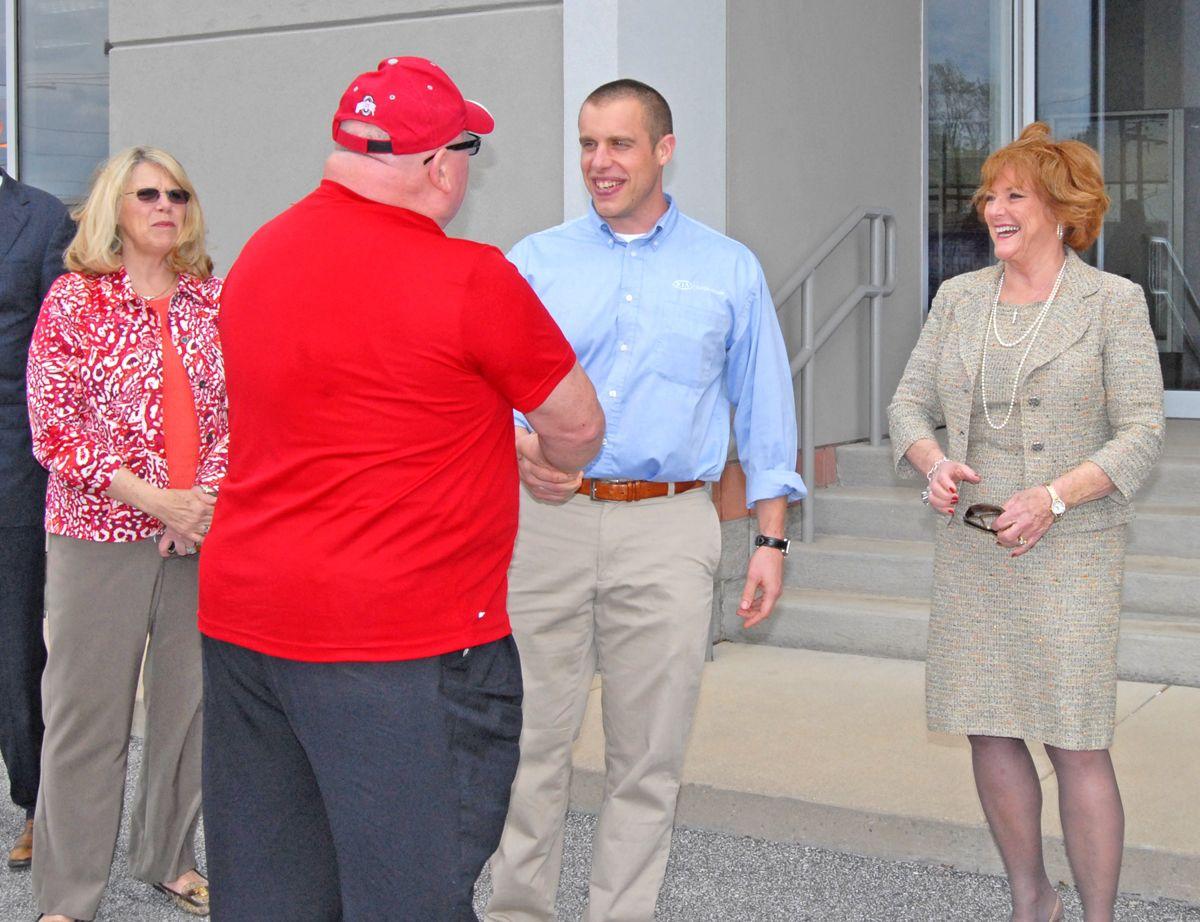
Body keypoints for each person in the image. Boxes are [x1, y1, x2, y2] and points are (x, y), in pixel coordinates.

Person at [196, 56, 603, 922]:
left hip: (247, 621)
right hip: (403, 641)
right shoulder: (470, 277)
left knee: (272, 887)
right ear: (438, 164)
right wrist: (543, 455)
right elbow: (579, 424)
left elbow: (335, 403)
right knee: (408, 892)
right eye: (465, 149)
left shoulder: (258, 255)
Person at [486, 79, 805, 922]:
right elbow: (486, 391)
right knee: (529, 748)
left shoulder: (727, 269)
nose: (599, 163)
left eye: (620, 145)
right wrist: (523, 448)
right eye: (588, 144)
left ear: (665, 149)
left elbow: (766, 413)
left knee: (648, 757)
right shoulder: (536, 261)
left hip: (670, 525)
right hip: (544, 526)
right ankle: (518, 911)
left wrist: (771, 543)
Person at [887, 122, 1164, 922]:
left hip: (1071, 543)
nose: (993, 209)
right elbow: (909, 402)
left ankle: (1098, 914)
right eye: (989, 195)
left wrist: (1055, 496)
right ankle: (1030, 900)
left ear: (1061, 209)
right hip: (975, 549)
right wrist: (932, 463)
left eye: (1014, 196)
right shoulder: (958, 298)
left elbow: (1142, 431)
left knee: (1075, 738)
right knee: (987, 727)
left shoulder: (1113, 303)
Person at [25, 146, 225, 921]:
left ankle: (168, 858)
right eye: (147, 194)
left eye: (178, 192)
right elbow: (56, 431)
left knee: (187, 709)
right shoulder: (74, 302)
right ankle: (68, 896)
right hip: (98, 535)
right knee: (87, 718)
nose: (165, 206)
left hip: (199, 537)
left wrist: (199, 503)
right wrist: (158, 503)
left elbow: (240, 410)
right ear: (115, 206)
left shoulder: (212, 300)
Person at [0, 167, 72, 872]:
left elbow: (59, 350)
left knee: (15, 647)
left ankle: (38, 800)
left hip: (12, 468)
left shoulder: (43, 219)